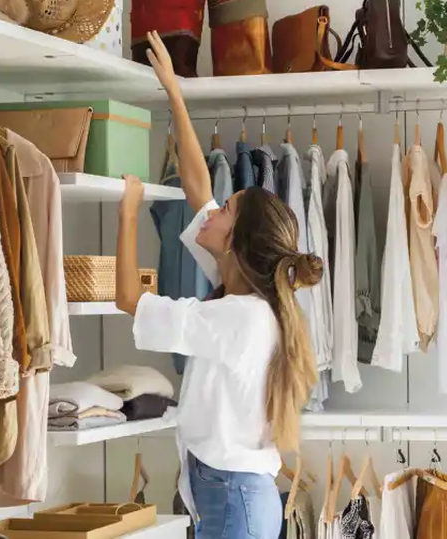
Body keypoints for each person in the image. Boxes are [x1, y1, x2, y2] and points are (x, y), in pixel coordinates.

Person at [115, 31, 321, 539]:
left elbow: (126, 299)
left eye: (225, 212)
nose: (212, 210)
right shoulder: (248, 296)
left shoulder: (237, 316)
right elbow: (196, 187)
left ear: (235, 242)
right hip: (235, 496)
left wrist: (127, 212)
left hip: (233, 500)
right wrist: (173, 93)